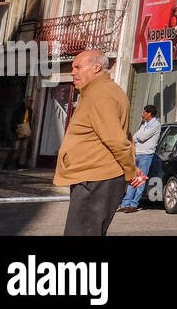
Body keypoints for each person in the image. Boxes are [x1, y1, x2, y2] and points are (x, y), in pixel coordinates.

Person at [54, 50, 145, 236]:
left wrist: (130, 172)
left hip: (97, 177)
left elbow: (117, 140)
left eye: (78, 67)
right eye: (72, 68)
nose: (73, 72)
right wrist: (131, 167)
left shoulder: (100, 94)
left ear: (96, 67)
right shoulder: (102, 91)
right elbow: (122, 134)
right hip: (94, 176)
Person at [120, 105, 161, 213]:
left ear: (149, 114)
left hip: (146, 155)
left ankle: (134, 204)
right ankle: (125, 203)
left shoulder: (155, 125)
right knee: (132, 178)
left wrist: (138, 137)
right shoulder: (144, 124)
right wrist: (138, 136)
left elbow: (142, 137)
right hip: (137, 153)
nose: (142, 115)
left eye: (144, 113)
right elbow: (135, 137)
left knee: (140, 179)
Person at [3, 98, 33, 170]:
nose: (30, 102)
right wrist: (16, 128)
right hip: (18, 129)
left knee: (24, 148)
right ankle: (7, 163)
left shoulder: (30, 110)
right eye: (29, 100)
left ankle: (20, 164)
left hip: (26, 129)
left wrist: (30, 129)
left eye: (31, 101)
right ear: (24, 101)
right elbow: (13, 120)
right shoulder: (18, 109)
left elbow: (29, 120)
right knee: (15, 148)